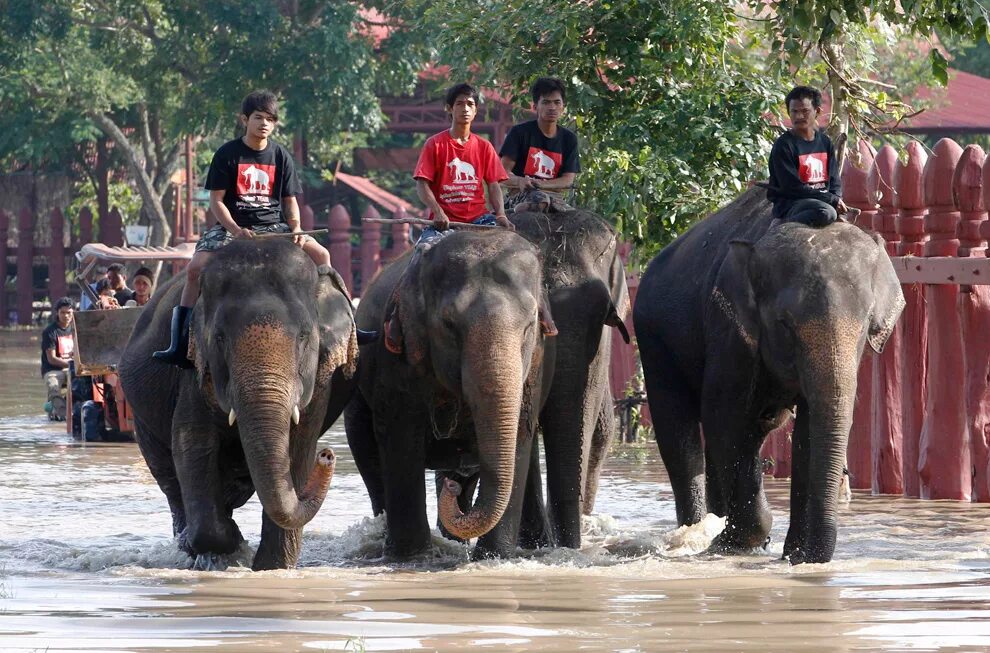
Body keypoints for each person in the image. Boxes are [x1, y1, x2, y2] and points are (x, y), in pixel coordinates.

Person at [153, 90, 333, 367]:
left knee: (322, 256)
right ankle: (179, 342)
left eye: (270, 120)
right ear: (244, 119)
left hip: (274, 225)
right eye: (258, 117)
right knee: (195, 268)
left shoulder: (281, 156)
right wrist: (236, 230)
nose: (264, 124)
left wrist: (295, 227)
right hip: (232, 227)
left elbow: (290, 201)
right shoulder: (227, 154)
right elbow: (216, 202)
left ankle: (332, 329)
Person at [383, 82, 511, 353]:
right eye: (460, 104)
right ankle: (396, 316)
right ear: (449, 109)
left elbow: (495, 184)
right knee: (419, 256)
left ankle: (539, 312)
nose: (465, 109)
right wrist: (438, 212)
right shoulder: (436, 144)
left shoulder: (484, 147)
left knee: (516, 252)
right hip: (444, 222)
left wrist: (499, 214)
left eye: (470, 104)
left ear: (476, 111)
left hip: (479, 220)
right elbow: (422, 184)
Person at [766, 85, 848, 227]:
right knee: (826, 213)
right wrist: (831, 200)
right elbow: (792, 188)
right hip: (793, 203)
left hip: (820, 200)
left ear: (817, 111)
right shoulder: (783, 145)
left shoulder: (825, 142)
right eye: (794, 111)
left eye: (805, 111)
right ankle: (783, 225)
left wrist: (836, 198)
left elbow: (834, 180)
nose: (799, 116)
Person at [499, 77, 580, 213]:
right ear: (536, 106)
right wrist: (520, 181)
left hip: (556, 198)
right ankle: (516, 211)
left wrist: (541, 184)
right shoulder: (519, 132)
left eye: (556, 102)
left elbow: (568, 180)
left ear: (563, 107)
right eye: (546, 102)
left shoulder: (569, 139)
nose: (552, 107)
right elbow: (501, 174)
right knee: (541, 199)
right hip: (520, 196)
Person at [41, 297, 75, 421]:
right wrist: (71, 364)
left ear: (73, 313)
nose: (66, 316)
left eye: (69, 313)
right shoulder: (50, 332)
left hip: (74, 367)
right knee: (53, 386)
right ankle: (63, 417)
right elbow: (52, 359)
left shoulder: (76, 329)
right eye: (63, 313)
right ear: (57, 313)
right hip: (53, 370)